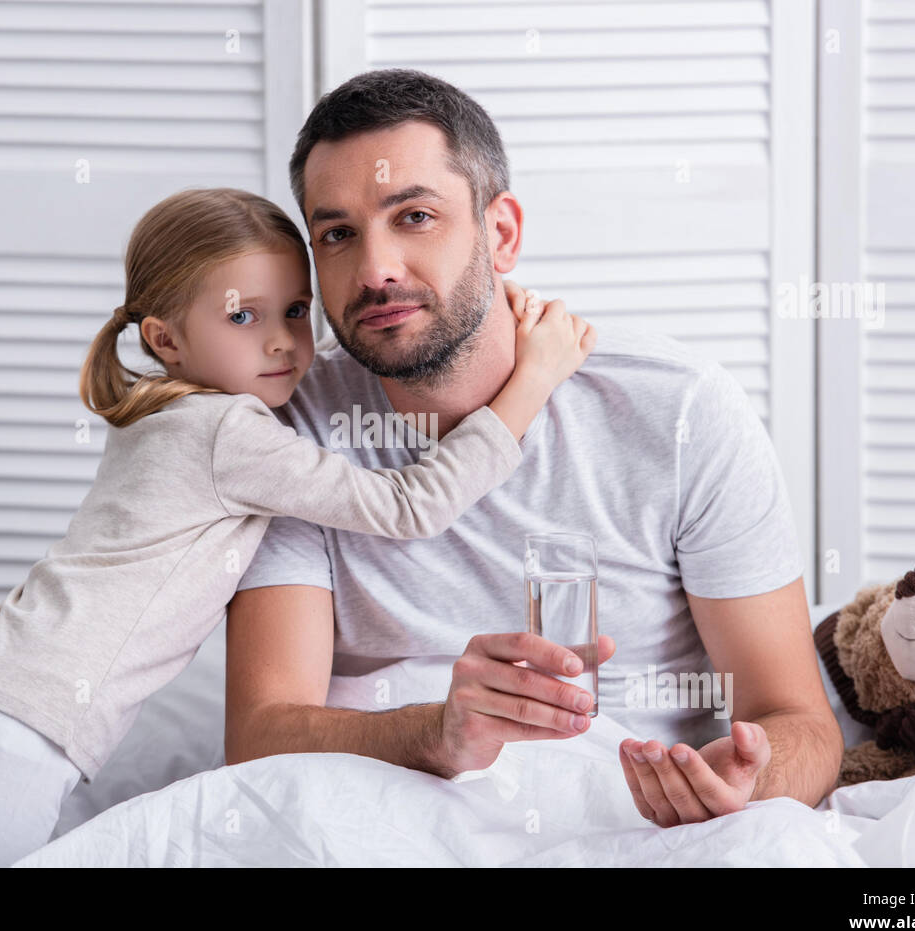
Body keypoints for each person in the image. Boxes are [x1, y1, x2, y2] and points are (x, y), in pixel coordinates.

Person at [0, 186, 595, 866]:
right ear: (166, 339)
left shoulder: (160, 412)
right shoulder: (228, 430)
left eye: (294, 311)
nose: (283, 342)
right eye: (242, 317)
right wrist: (531, 380)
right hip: (15, 730)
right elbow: (411, 506)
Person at [224, 69, 844, 827]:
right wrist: (438, 731)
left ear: (503, 233)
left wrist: (743, 783)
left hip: (632, 825)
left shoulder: (677, 409)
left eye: (414, 216)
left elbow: (801, 721)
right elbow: (260, 734)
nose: (376, 269)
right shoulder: (287, 422)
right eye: (338, 234)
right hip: (383, 827)